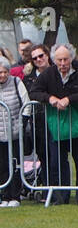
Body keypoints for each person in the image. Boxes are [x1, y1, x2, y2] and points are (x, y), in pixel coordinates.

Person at [0, 57, 32, 206]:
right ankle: (4, 196)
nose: (2, 75)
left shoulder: (16, 82)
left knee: (15, 164)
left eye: (5, 72)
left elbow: (26, 103)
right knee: (3, 165)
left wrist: (23, 121)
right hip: (0, 134)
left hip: (15, 132)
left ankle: (15, 196)